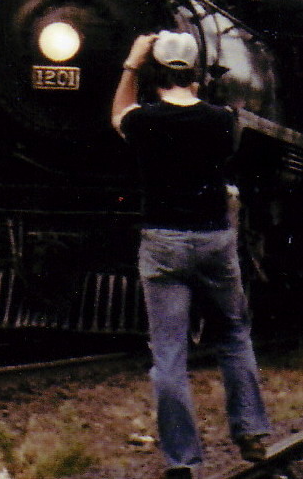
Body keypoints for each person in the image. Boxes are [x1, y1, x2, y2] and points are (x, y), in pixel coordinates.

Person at [112, 30, 271, 479]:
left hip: (162, 242)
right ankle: (251, 431)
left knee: (168, 356)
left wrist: (130, 63)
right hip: (214, 241)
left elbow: (118, 114)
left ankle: (183, 460)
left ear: (156, 72)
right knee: (234, 336)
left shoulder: (143, 121)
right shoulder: (223, 121)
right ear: (195, 74)